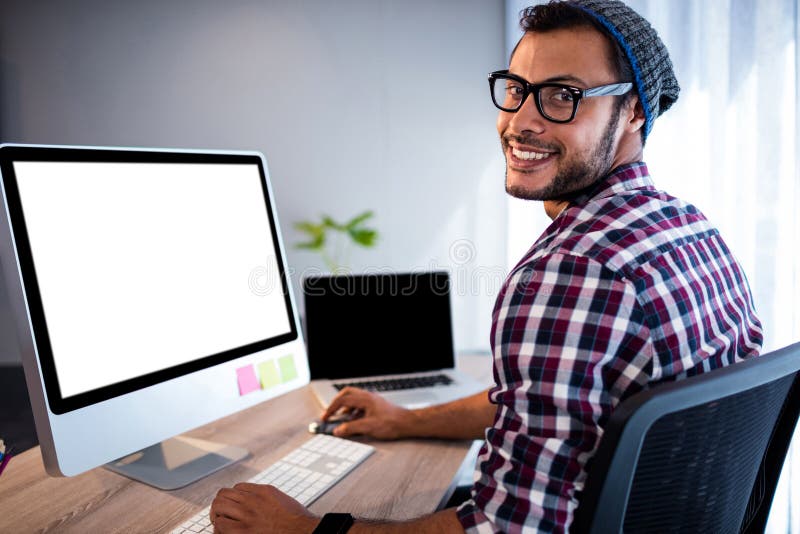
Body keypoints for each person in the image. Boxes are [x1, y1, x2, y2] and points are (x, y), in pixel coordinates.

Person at [209, 0, 763, 531]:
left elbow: (503, 530)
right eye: (518, 90)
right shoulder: (688, 228)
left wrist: (304, 530)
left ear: (635, 110)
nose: (521, 121)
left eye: (563, 96)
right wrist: (403, 421)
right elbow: (548, 407)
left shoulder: (573, 272)